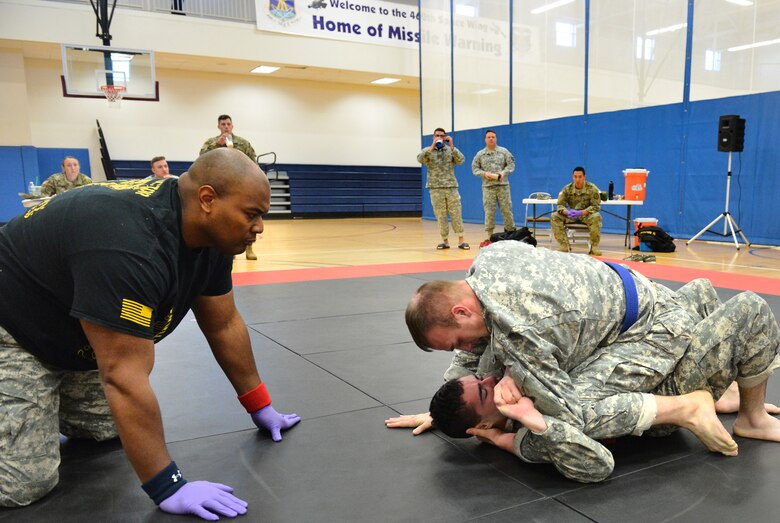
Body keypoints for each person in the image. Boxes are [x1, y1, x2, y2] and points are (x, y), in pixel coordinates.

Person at [0, 149, 300, 520]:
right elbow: (123, 376)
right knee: (23, 483)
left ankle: (41, 398)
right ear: (207, 199)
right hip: (12, 328)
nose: (259, 227)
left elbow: (223, 324)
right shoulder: (129, 245)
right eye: (251, 214)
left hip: (68, 334)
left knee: (106, 429)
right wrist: (168, 485)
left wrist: (260, 405)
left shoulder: (214, 237)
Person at [397, 241, 780, 481]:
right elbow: (470, 358)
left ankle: (710, 409)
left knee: (576, 406)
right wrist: (449, 408)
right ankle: (727, 396)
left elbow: (570, 415)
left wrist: (518, 397)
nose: (471, 352)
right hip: (641, 291)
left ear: (462, 312)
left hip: (649, 327)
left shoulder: (519, 336)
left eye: (460, 340)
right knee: (704, 291)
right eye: (482, 390)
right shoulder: (489, 259)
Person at [200, 115, 258, 260]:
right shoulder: (210, 142)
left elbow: (253, 163)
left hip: (241, 184)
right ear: (218, 126)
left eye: (228, 124)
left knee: (248, 217)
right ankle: (229, 250)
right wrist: (217, 146)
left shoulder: (243, 143)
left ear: (232, 126)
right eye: (223, 124)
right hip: (220, 186)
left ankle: (249, 248)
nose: (226, 126)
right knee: (225, 218)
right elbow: (202, 159)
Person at [417, 127, 469, 251]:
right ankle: (445, 241)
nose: (439, 137)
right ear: (433, 137)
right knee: (441, 215)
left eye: (441, 135)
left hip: (451, 187)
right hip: (435, 188)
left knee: (456, 213)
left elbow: (461, 160)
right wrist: (432, 147)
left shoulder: (450, 150)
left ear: (445, 137)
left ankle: (461, 241)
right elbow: (420, 159)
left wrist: (452, 146)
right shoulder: (427, 151)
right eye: (437, 135)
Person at [471, 129, 516, 246]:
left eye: (493, 137)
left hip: (503, 186)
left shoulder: (503, 151)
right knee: (489, 212)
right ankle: (489, 236)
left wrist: (503, 173)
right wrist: (484, 174)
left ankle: (511, 234)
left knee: (507, 210)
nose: (491, 139)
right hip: (488, 187)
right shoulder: (480, 154)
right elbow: (475, 169)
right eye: (489, 137)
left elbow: (511, 165)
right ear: (485, 139)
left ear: (496, 139)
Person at [551, 166, 602, 256]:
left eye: (580, 177)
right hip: (571, 215)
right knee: (555, 216)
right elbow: (559, 205)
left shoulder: (592, 188)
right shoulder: (567, 189)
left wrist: (582, 212)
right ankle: (563, 245)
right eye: (575, 177)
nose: (577, 179)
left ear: (584, 177)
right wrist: (566, 212)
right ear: (572, 177)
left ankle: (594, 246)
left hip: (586, 215)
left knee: (596, 216)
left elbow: (596, 206)